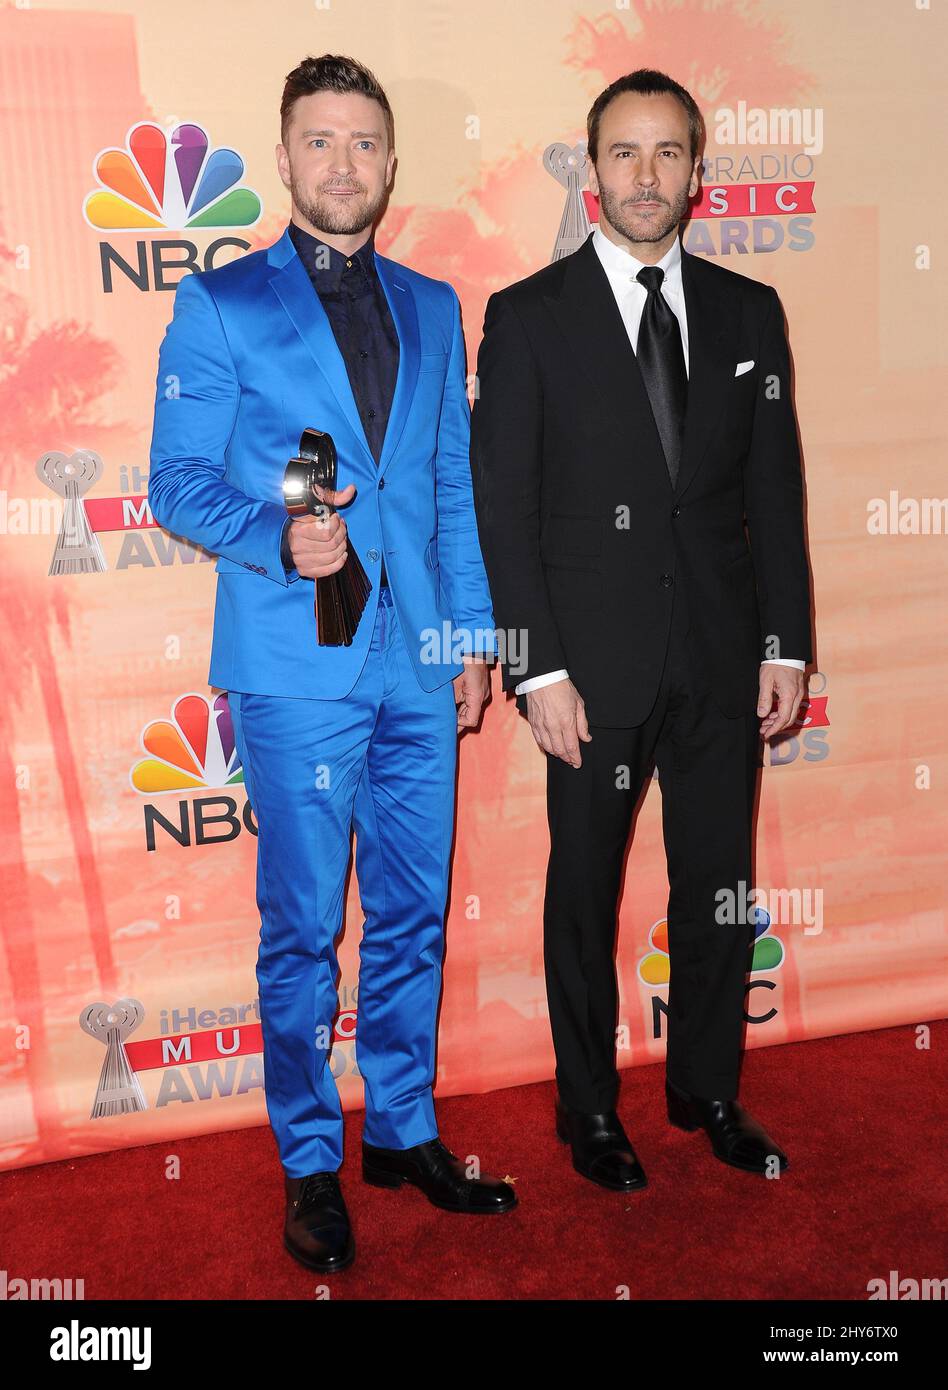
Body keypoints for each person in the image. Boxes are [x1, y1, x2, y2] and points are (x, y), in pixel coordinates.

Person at [149, 53, 516, 1274]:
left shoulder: (431, 302)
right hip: (294, 669)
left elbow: (448, 488)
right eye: (321, 141)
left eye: (365, 142)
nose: (344, 163)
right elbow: (176, 482)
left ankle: (402, 1127)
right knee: (303, 928)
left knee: (413, 909)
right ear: (287, 155)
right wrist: (278, 537)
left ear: (391, 161)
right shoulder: (223, 304)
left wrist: (470, 637)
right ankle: (310, 1158)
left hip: (417, 660)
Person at [470, 69, 812, 1192]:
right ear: (590, 166)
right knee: (585, 896)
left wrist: (788, 643)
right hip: (589, 672)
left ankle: (708, 1089)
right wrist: (538, 667)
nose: (646, 175)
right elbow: (502, 507)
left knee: (718, 886)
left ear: (699, 176)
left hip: (721, 660)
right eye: (625, 152)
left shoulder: (750, 314)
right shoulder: (527, 317)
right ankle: (587, 1109)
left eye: (670, 154)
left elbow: (775, 493)